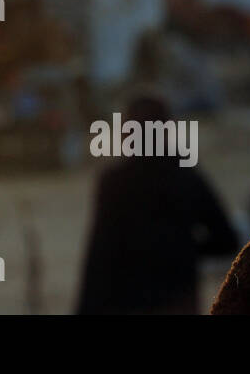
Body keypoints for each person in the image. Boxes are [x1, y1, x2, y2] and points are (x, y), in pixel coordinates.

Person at [76, 95, 238, 314]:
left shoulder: (115, 181)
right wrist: (182, 249)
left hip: (127, 302)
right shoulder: (186, 178)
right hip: (178, 300)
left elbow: (100, 253)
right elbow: (226, 239)